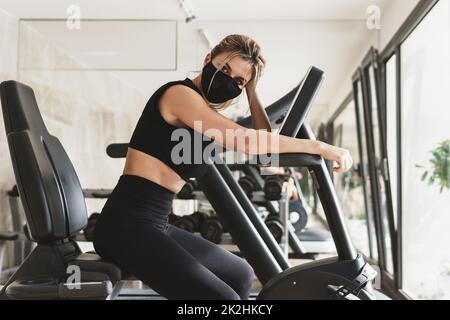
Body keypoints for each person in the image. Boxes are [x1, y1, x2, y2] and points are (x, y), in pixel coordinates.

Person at [93, 34, 353, 300]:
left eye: (238, 81)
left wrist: (252, 90)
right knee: (222, 300)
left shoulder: (204, 113)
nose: (229, 81)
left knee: (241, 275)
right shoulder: (179, 95)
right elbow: (251, 143)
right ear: (208, 59)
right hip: (125, 226)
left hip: (157, 222)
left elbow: (262, 143)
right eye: (225, 69)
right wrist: (319, 147)